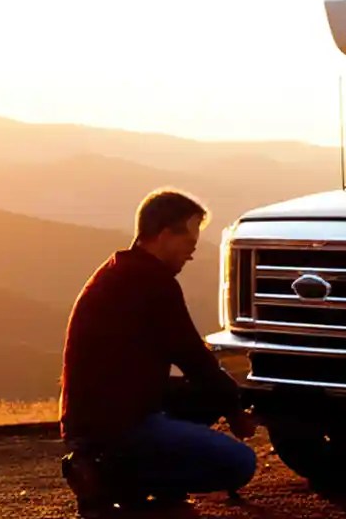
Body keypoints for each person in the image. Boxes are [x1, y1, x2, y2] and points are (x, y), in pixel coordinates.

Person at [59, 188, 258, 515]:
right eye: (189, 243)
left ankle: (119, 473)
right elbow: (193, 357)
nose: (191, 254)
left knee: (204, 399)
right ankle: (111, 479)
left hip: (92, 420)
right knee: (241, 464)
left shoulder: (117, 271)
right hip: (120, 424)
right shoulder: (153, 282)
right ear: (165, 235)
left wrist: (226, 398)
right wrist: (236, 412)